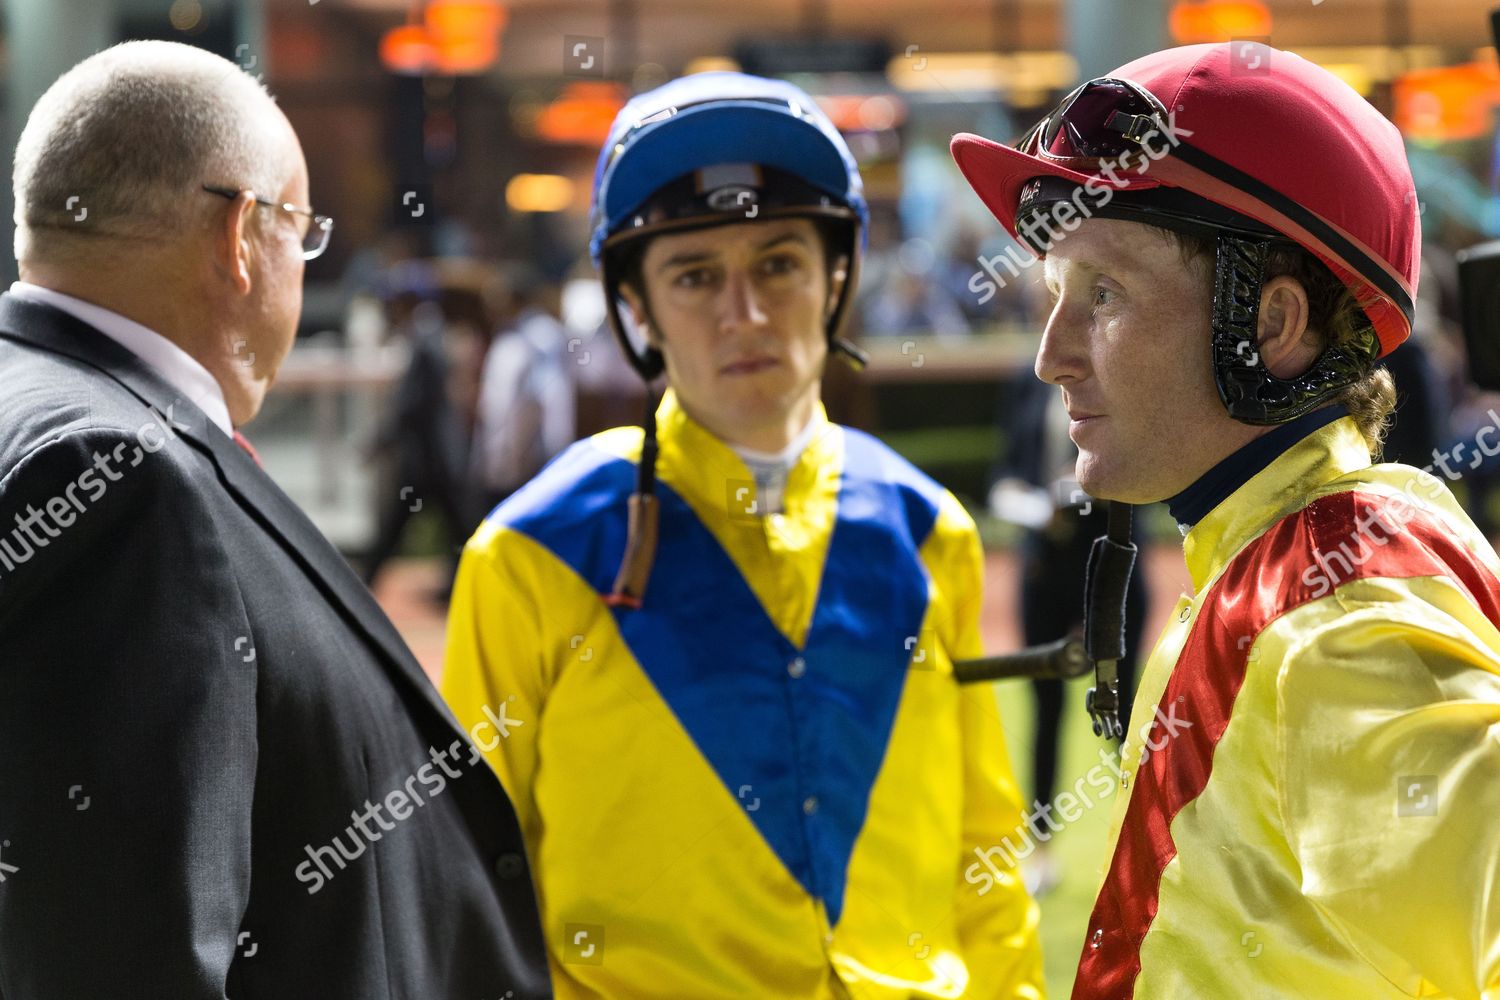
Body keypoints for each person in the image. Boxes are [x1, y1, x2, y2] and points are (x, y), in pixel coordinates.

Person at [443, 72, 1043, 998]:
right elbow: (466, 884)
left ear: (835, 276)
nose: (746, 314)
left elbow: (986, 857)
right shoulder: (532, 552)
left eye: (778, 263)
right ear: (635, 306)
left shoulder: (928, 531)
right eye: (694, 276)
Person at [0, 42, 548, 998]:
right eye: (305, 231)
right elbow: (124, 956)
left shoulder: (54, 414)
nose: (305, 263)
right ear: (241, 236)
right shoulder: (122, 478)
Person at [952, 42, 1500, 995]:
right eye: (1055, 297)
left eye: (1104, 294)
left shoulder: (1343, 613)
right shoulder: (1287, 556)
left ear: (1271, 325)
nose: (1052, 357)